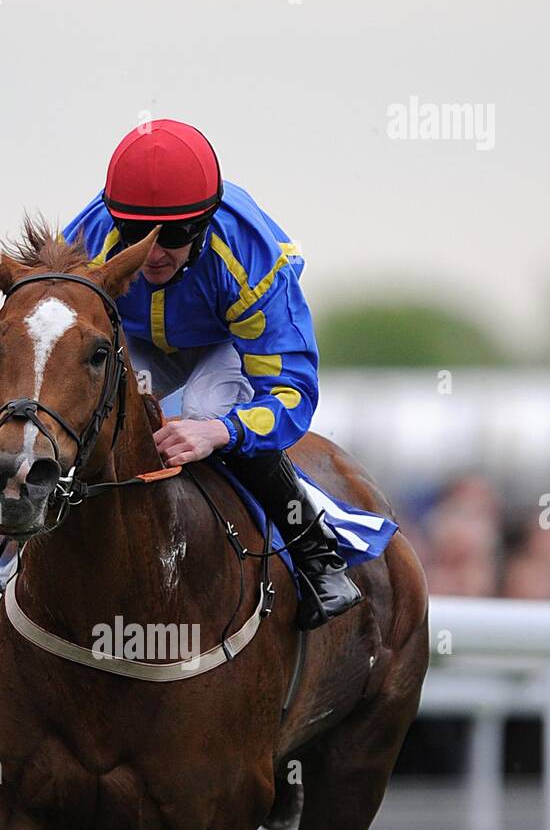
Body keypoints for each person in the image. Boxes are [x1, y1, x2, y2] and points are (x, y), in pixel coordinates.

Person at [62, 118, 362, 628]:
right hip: (137, 340)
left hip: (226, 340)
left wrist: (220, 429)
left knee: (203, 408)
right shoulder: (85, 242)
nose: (153, 253)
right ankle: (39, 540)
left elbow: (291, 396)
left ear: (203, 223)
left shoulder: (253, 262)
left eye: (173, 235)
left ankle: (315, 550)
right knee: (92, 399)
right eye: (137, 234)